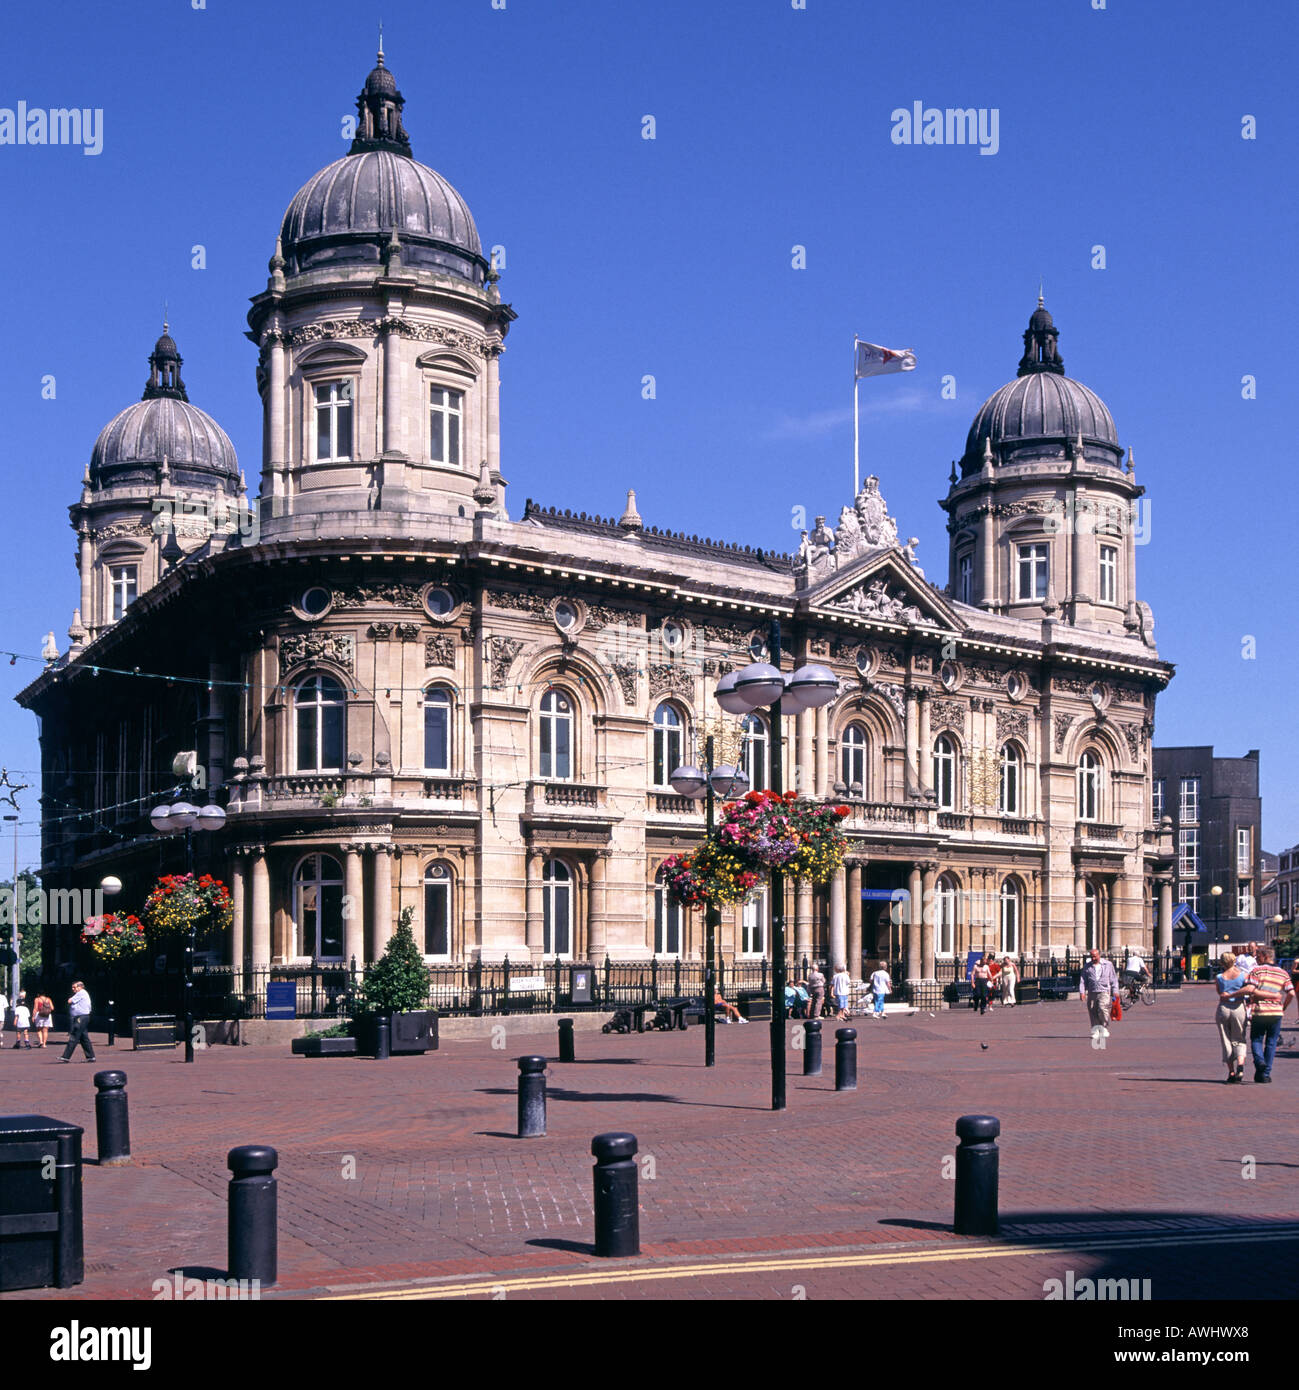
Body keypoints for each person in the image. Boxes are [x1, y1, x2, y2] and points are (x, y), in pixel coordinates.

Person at [1241, 947, 1294, 1083]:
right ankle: (1265, 1074)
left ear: (1265, 956)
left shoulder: (1257, 971)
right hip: (1276, 1012)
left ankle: (1259, 1062)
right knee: (1271, 1042)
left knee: (1256, 1039)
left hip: (1260, 1011)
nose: (1256, 960)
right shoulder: (1283, 973)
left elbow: (1251, 989)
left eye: (1258, 957)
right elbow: (1291, 993)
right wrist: (1283, 1006)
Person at [1214, 951, 1250, 1083]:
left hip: (1224, 1008)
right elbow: (1249, 990)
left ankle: (1231, 1071)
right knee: (1239, 1037)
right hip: (1239, 1007)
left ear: (1222, 962)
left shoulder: (1219, 977)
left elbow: (1219, 992)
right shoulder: (1243, 976)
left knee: (1226, 1039)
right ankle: (1240, 1064)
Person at [1080, 947, 1121, 1040]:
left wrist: (1115, 991)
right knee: (1093, 1010)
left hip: (1104, 991)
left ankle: (1104, 1026)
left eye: (1095, 956)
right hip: (1092, 991)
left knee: (1103, 1008)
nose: (1093, 958)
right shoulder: (1087, 966)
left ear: (1099, 955)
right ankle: (1095, 1030)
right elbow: (1082, 980)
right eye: (1091, 957)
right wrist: (1082, 992)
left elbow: (1113, 979)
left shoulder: (1108, 964)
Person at [60, 980, 96, 1062]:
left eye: (74, 987)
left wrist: (71, 999)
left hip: (81, 1017)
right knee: (84, 1037)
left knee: (74, 1035)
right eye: (72, 987)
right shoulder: (81, 993)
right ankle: (90, 1057)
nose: (73, 989)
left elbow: (69, 1001)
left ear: (80, 987)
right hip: (82, 1017)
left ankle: (66, 1056)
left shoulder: (81, 993)